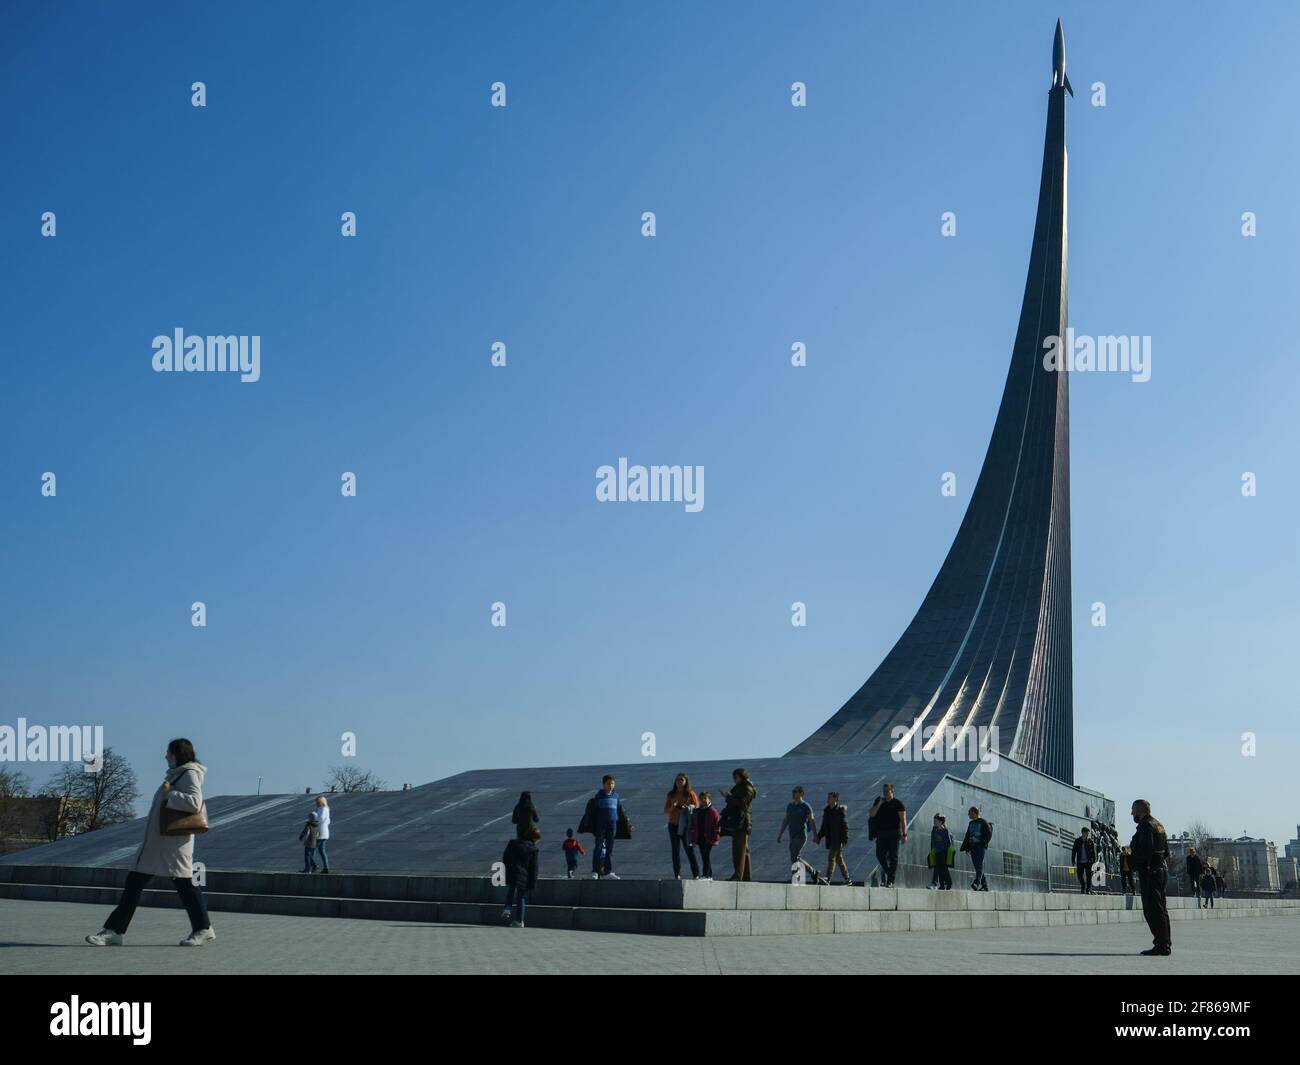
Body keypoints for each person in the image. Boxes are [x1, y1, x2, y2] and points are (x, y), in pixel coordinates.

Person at [86, 738, 215, 948]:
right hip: (159, 845)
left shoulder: (190, 772)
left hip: (174, 845)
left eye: (168, 753)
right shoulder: (177, 774)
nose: (166, 756)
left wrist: (169, 794)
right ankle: (114, 930)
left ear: (177, 754)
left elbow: (194, 802)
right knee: (135, 884)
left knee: (185, 886)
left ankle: (203, 928)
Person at [1129, 798, 1171, 956]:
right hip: (1160, 870)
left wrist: (1133, 862)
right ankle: (1164, 943)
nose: (1131, 813)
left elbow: (1145, 850)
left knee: (1152, 910)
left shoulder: (1146, 826)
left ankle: (1161, 945)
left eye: (1133, 810)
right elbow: (1166, 851)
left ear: (1140, 810)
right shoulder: (1159, 825)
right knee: (1161, 909)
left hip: (1151, 872)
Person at [578, 775, 632, 879]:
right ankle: (595, 871)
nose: (611, 785)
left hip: (613, 825)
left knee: (609, 848)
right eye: (608, 783)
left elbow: (621, 811)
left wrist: (628, 824)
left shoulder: (616, 796)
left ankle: (608, 871)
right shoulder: (599, 796)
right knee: (598, 847)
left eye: (612, 783)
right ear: (603, 785)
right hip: (601, 825)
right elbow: (593, 812)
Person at [721, 768, 757, 882]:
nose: (735, 779)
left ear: (742, 776)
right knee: (743, 850)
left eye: (736, 777)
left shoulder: (747, 788)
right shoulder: (741, 787)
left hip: (742, 822)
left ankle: (738, 875)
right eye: (734, 777)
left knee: (739, 850)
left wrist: (728, 797)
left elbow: (743, 803)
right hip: (738, 821)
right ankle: (746, 876)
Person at [663, 773, 701, 879]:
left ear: (686, 782)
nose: (679, 782)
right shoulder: (671, 794)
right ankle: (677, 874)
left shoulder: (690, 793)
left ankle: (696, 874)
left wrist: (688, 807)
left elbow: (697, 807)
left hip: (686, 825)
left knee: (689, 849)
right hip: (673, 824)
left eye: (682, 780)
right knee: (675, 850)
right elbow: (666, 810)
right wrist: (673, 807)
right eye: (677, 780)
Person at [500, 826, 540, 927]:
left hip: (513, 873)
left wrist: (506, 870)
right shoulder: (534, 849)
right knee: (521, 897)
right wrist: (532, 883)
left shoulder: (513, 843)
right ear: (534, 838)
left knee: (511, 890)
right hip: (524, 877)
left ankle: (507, 908)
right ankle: (519, 921)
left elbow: (505, 857)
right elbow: (534, 868)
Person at [869, 784, 907, 887]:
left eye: (887, 791)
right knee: (879, 855)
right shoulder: (879, 801)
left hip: (894, 833)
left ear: (892, 791)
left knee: (893, 857)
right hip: (881, 833)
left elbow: (903, 820)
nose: (885, 793)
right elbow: (871, 814)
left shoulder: (898, 803)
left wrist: (904, 834)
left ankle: (890, 880)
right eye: (884, 791)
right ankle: (890, 874)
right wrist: (880, 803)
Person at [777, 786, 816, 872]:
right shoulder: (790, 806)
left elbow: (812, 821)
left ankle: (797, 876)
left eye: (795, 792)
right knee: (795, 856)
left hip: (801, 835)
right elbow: (786, 820)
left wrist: (815, 835)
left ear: (801, 793)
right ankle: (812, 871)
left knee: (794, 854)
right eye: (793, 792)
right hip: (792, 834)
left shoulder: (806, 806)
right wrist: (780, 834)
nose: (793, 794)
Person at [816, 791, 852, 885]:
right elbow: (824, 826)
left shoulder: (840, 811)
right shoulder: (826, 811)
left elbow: (845, 826)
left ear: (835, 799)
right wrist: (819, 836)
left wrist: (845, 839)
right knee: (839, 860)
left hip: (838, 839)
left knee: (831, 857)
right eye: (828, 797)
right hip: (830, 839)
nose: (828, 799)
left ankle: (828, 878)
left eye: (830, 797)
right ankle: (848, 879)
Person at [961, 806, 992, 891]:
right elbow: (968, 835)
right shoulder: (971, 823)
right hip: (972, 847)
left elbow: (988, 834)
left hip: (980, 847)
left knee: (979, 865)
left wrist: (982, 844)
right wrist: (967, 847)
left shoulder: (983, 822)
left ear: (974, 813)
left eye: (969, 812)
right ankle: (985, 886)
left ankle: (976, 882)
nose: (968, 814)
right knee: (977, 866)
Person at [693, 792, 721, 880]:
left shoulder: (713, 811)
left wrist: (715, 838)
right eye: (701, 799)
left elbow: (717, 826)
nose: (703, 800)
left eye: (705, 798)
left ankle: (707, 874)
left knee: (706, 855)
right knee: (704, 855)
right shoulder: (697, 811)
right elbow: (694, 825)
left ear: (709, 799)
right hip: (700, 837)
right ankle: (708, 874)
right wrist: (694, 839)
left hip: (709, 838)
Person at [929, 814, 953, 890]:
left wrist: (944, 849)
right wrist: (934, 850)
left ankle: (949, 882)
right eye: (934, 821)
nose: (935, 822)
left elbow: (948, 842)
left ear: (941, 822)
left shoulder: (945, 830)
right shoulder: (935, 831)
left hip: (943, 852)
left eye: (936, 821)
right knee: (939, 868)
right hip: (937, 852)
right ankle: (942, 885)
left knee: (944, 868)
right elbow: (933, 842)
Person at [1071, 827, 1096, 894]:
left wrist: (1094, 863)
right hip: (1080, 862)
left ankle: (1087, 890)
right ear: (1082, 833)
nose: (1087, 834)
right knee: (1079, 875)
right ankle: (1083, 885)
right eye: (1086, 833)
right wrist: (1073, 860)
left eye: (1088, 833)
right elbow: (1074, 851)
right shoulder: (1077, 841)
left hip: (1088, 862)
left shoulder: (1090, 842)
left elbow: (1093, 853)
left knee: (1089, 876)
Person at [312, 796, 331, 874]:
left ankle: (313, 866)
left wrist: (314, 821)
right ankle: (326, 867)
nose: (316, 803)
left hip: (320, 832)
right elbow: (328, 821)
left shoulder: (322, 809)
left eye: (317, 802)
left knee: (312, 850)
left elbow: (321, 819)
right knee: (321, 851)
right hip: (324, 832)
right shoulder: (326, 809)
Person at [299, 808, 320, 872]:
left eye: (309, 817)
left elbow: (306, 833)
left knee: (307, 856)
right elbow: (318, 834)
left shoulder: (309, 824)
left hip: (308, 842)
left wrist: (303, 839)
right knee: (310, 855)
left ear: (310, 818)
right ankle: (313, 867)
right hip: (314, 842)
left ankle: (308, 869)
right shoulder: (317, 825)